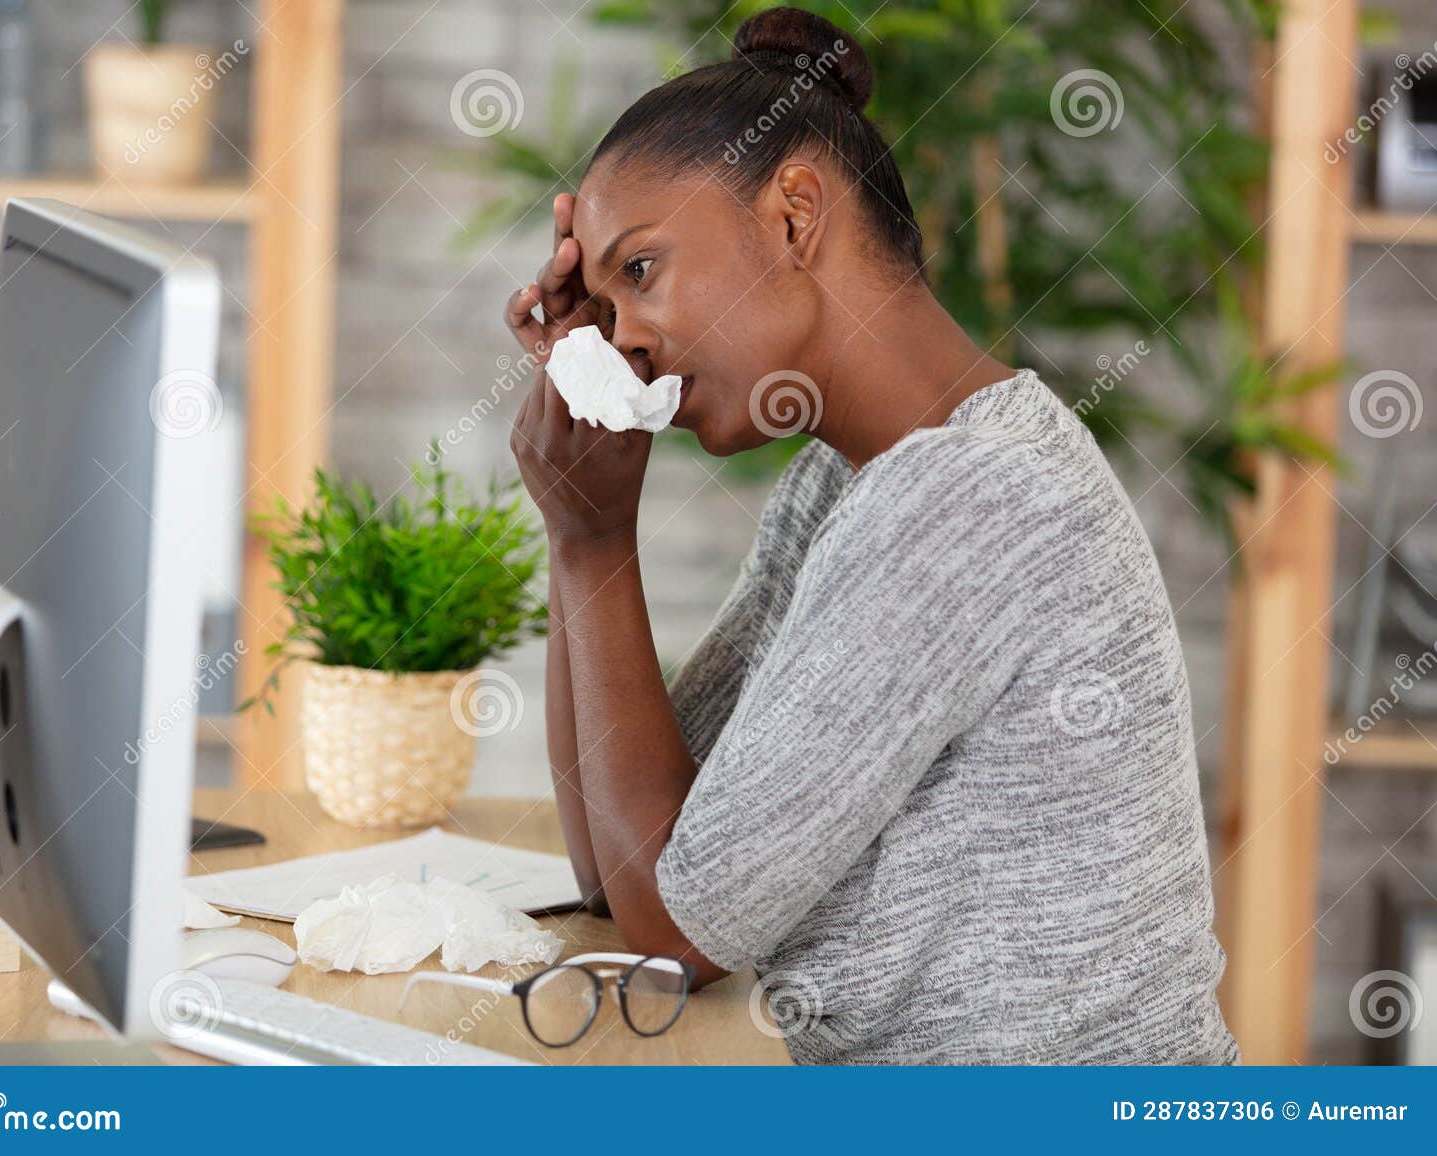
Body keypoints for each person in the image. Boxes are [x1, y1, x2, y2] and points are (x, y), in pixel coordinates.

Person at [502, 5, 1238, 1065]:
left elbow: (677, 929)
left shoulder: (965, 499)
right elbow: (624, 878)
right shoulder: (843, 484)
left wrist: (590, 544)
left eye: (643, 272)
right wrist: (583, 526)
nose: (629, 343)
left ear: (795, 215)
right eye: (606, 309)